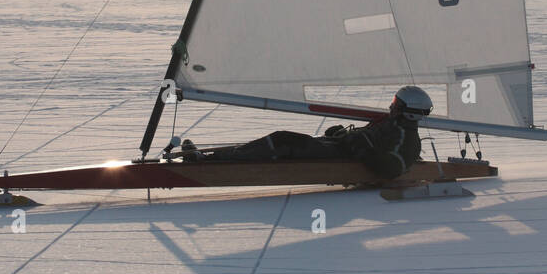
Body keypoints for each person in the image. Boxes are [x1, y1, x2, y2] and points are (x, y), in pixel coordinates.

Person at [182, 85, 432, 180]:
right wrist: (341, 135)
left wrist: (357, 148)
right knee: (282, 142)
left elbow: (392, 169)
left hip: (342, 158)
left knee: (283, 142)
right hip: (338, 149)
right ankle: (210, 157)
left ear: (408, 111)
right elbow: (368, 139)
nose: (391, 106)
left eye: (396, 103)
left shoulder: (407, 138)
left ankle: (207, 162)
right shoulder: (393, 125)